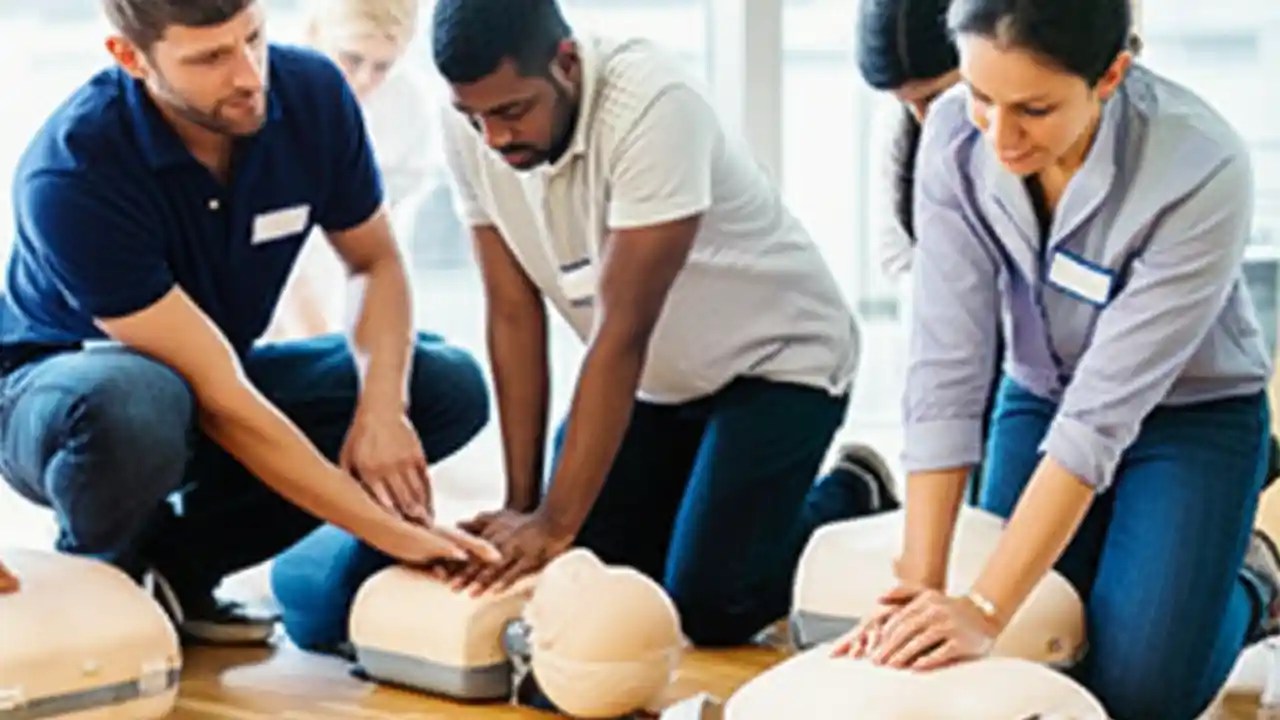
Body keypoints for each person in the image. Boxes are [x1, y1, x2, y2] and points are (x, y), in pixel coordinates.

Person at [831, 0, 1280, 717]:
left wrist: (979, 604)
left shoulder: (1201, 165)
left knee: (1138, 691)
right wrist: (921, 583)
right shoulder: (952, 134)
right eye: (981, 96)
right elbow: (948, 363)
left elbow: (1100, 419)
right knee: (1032, 649)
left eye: (1033, 109)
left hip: (1190, 414)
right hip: (1040, 393)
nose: (1000, 138)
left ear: (1110, 75)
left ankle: (1252, 577)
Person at [0, 0, 498, 639]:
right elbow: (221, 399)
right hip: (62, 400)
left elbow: (373, 262)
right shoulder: (72, 170)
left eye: (253, 38)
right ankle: (106, 583)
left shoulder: (312, 94)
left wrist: (382, 410)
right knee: (137, 400)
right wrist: (398, 535)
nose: (247, 74)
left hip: (217, 376)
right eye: (209, 57)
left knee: (442, 383)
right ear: (131, 59)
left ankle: (181, 571)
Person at [427, 0, 900, 646]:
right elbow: (512, 315)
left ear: (566, 63)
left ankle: (852, 491)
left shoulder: (652, 105)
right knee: (588, 571)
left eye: (512, 112)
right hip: (659, 382)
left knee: (708, 604)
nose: (495, 139)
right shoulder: (473, 128)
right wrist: (523, 505)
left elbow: (622, 331)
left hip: (779, 363)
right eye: (473, 117)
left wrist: (555, 519)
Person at [264, 0, 447, 340]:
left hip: (352, 292)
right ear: (318, 32)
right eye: (352, 59)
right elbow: (275, 250)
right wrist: (320, 342)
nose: (366, 79)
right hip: (272, 304)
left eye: (383, 66)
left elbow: (386, 246)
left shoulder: (409, 106)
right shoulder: (268, 96)